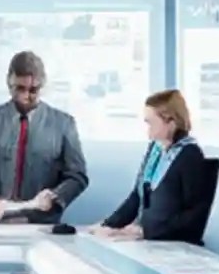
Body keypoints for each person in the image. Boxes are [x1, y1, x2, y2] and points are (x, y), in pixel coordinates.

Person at [0, 50, 88, 225]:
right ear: (8, 83)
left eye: (34, 90)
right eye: (20, 88)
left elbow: (77, 176)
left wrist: (55, 198)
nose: (26, 96)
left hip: (42, 225)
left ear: (44, 84)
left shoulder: (63, 124)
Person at [89, 89, 208, 243]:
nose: (148, 129)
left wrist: (147, 231)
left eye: (151, 123)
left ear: (171, 122)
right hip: (150, 241)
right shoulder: (155, 149)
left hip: (174, 244)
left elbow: (195, 214)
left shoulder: (190, 155)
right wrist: (108, 225)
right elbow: (137, 196)